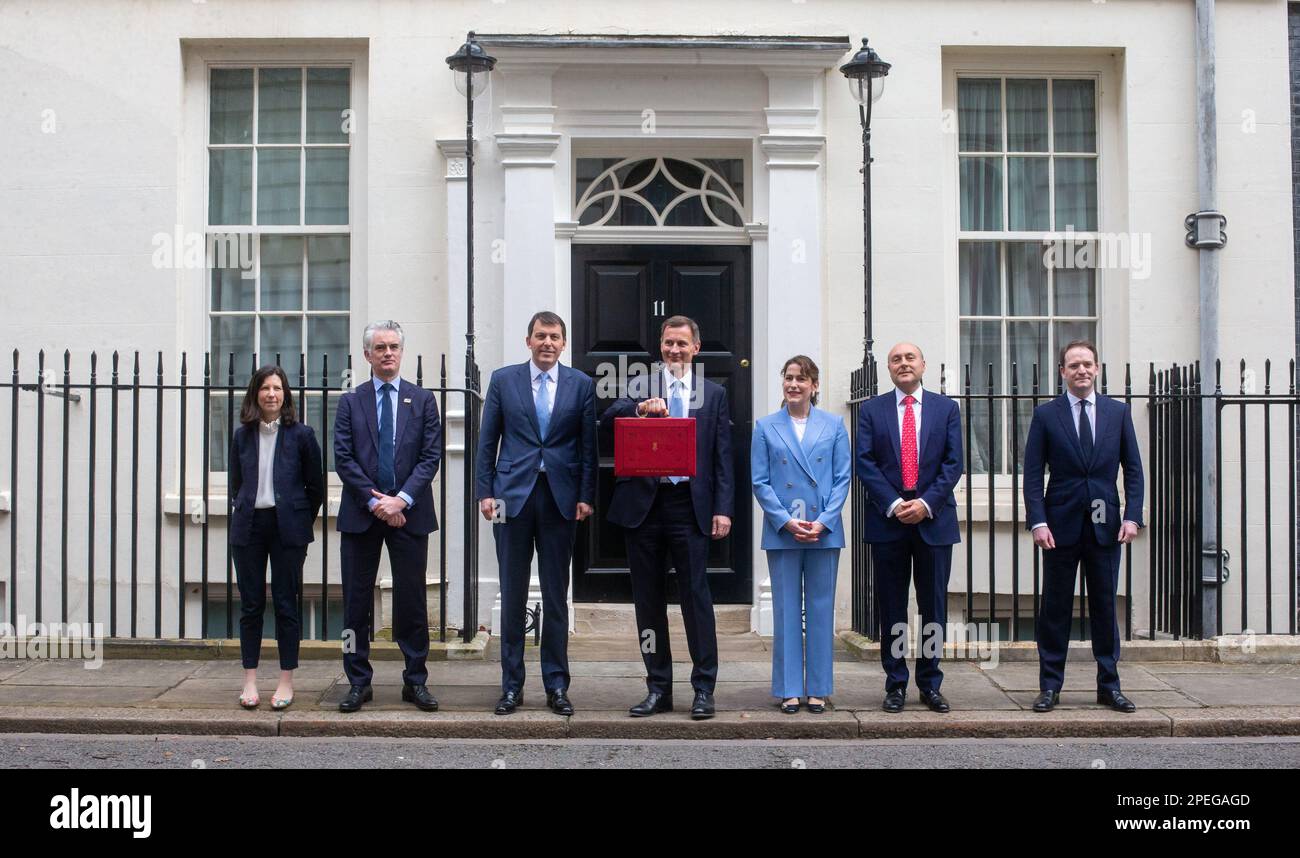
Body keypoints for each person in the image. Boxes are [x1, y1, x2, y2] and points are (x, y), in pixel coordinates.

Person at [602, 315, 734, 720]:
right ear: (660, 346)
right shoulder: (640, 384)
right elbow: (608, 417)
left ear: (696, 347)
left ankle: (703, 688)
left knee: (697, 599)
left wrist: (723, 508)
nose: (674, 350)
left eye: (681, 344)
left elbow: (723, 456)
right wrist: (639, 407)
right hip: (645, 505)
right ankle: (658, 687)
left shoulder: (713, 393)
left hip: (689, 505)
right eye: (667, 343)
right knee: (648, 602)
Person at [476, 311, 598, 716]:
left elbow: (587, 448)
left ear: (564, 344)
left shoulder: (580, 384)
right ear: (528, 340)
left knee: (555, 596)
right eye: (541, 336)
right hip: (511, 498)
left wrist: (586, 495)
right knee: (511, 595)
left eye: (555, 337)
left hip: (560, 499)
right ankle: (511, 686)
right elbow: (487, 438)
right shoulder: (504, 380)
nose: (548, 343)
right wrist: (484, 492)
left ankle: (556, 685)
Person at [1024, 340, 1144, 713]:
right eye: (1073, 365)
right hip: (1059, 527)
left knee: (1106, 608)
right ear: (1062, 371)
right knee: (1055, 608)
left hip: (1106, 526)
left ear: (1097, 369)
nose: (1081, 370)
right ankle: (1050, 686)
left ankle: (1109, 686)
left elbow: (1135, 470)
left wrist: (1132, 515)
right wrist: (1038, 521)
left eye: (1087, 364)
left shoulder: (1117, 413)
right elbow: (1031, 474)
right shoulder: (1046, 415)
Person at [333, 320, 442, 713]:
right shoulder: (350, 402)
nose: (388, 353)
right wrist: (375, 502)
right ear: (367, 355)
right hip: (361, 516)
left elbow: (431, 456)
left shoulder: (423, 400)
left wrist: (402, 501)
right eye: (380, 347)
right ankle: (357, 682)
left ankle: (415, 681)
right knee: (355, 604)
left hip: (409, 516)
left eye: (394, 346)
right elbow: (343, 458)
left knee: (412, 601)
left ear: (402, 351)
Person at [856, 342, 963, 713]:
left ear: (923, 364)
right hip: (890, 521)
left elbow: (954, 464)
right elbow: (865, 463)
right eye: (896, 359)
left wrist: (926, 503)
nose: (903, 364)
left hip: (933, 519)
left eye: (909, 358)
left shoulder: (947, 409)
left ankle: (930, 683)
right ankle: (896, 683)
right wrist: (895, 503)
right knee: (892, 607)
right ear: (888, 368)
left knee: (933, 607)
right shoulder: (871, 410)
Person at [751, 356, 850, 714]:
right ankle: (789, 687)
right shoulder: (766, 426)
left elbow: (842, 478)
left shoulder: (834, 425)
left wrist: (824, 520)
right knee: (786, 609)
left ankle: (819, 688)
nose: (793, 384)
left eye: (801, 379)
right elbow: (759, 481)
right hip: (783, 530)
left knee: (821, 609)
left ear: (815, 386)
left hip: (824, 530)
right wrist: (785, 521)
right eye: (789, 378)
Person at [229, 365, 324, 711]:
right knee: (251, 605)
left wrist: (299, 520)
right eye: (266, 388)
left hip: (288, 529)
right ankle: (250, 681)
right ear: (255, 393)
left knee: (286, 604)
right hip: (250, 527)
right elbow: (236, 486)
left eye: (278, 388)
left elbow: (316, 488)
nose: (272, 393)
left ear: (286, 395)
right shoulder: (242, 436)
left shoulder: (302, 435)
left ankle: (286, 681)